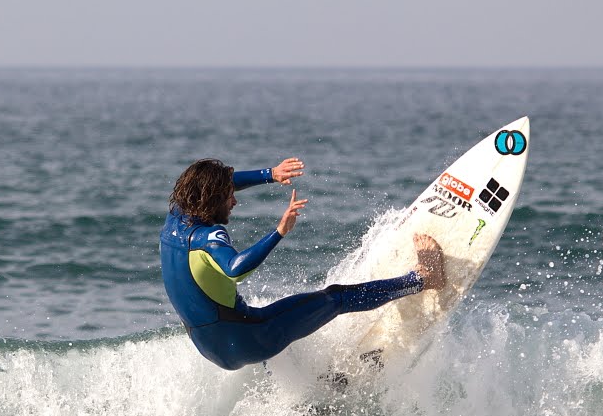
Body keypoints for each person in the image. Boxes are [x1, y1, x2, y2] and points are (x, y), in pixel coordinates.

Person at [159, 157, 446, 371]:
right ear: (212, 199)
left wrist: (271, 174)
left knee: (283, 323)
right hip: (250, 338)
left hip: (211, 347)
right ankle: (423, 278)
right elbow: (236, 269)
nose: (234, 200)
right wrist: (280, 231)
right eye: (228, 196)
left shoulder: (178, 215)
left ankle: (313, 385)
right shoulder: (208, 238)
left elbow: (221, 185)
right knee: (336, 298)